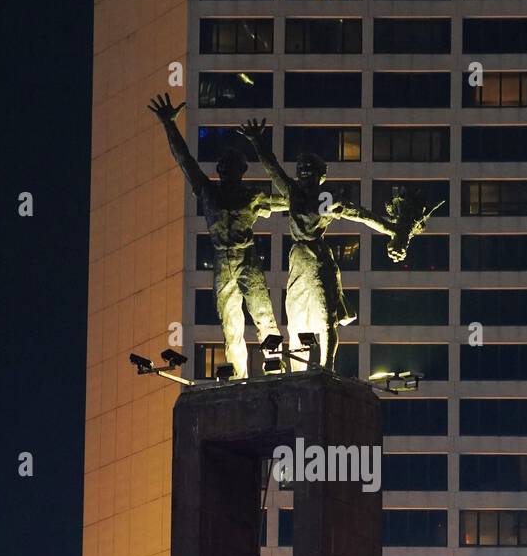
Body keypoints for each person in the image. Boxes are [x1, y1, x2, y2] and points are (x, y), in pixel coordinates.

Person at [238, 118, 400, 372]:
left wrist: (391, 229)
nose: (303, 171)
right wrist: (257, 141)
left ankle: (327, 367)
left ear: (320, 175)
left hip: (317, 258)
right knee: (295, 320)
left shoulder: (326, 198)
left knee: (326, 318)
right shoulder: (293, 192)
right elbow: (273, 169)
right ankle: (297, 371)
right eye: (301, 167)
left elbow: (359, 214)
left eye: (309, 168)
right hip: (298, 259)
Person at [148, 94, 284, 379]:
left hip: (246, 258)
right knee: (230, 322)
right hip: (223, 261)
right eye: (224, 167)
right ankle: (237, 373)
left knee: (262, 314)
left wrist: (260, 144)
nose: (227, 171)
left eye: (232, 167)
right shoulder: (208, 191)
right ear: (220, 170)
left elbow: (290, 201)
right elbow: (184, 159)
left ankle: (274, 366)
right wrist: (169, 125)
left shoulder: (252, 196)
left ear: (241, 172)